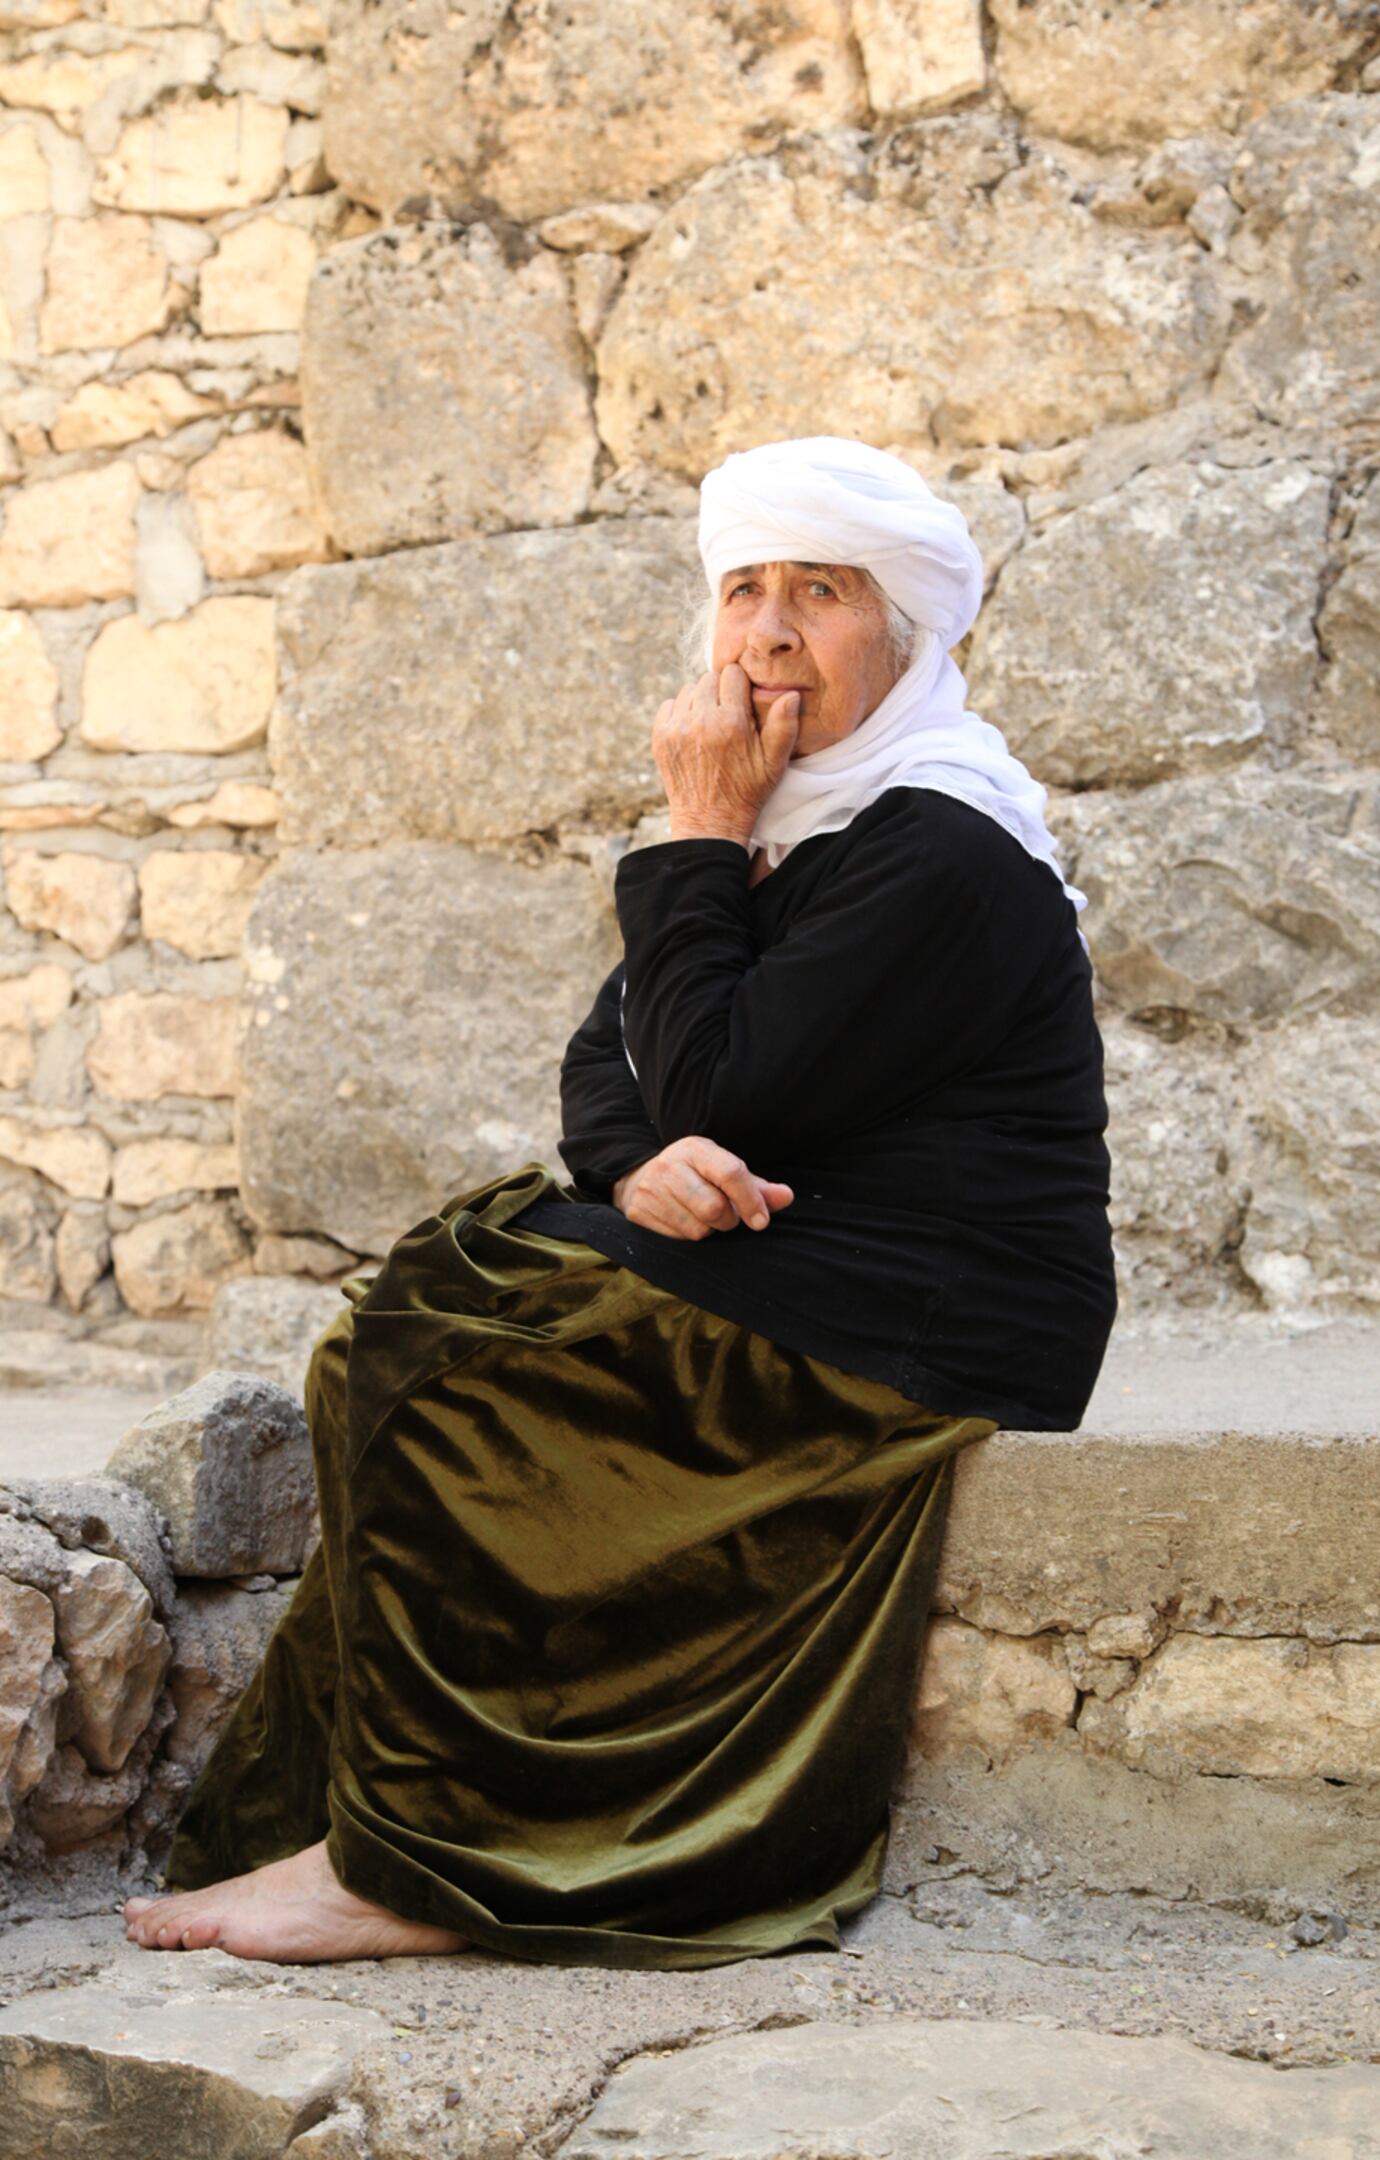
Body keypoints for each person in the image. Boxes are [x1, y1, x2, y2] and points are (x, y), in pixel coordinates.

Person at [122, 435, 1116, 1969]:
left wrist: (700, 836)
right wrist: (637, 1160)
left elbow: (717, 1080)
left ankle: (415, 1863)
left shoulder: (941, 843)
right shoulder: (796, 823)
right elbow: (616, 1062)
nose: (768, 637)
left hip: (930, 1308)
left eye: (822, 594)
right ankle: (359, 1825)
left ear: (904, 635)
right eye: (743, 592)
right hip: (799, 1254)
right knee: (423, 1300)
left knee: (449, 1341)